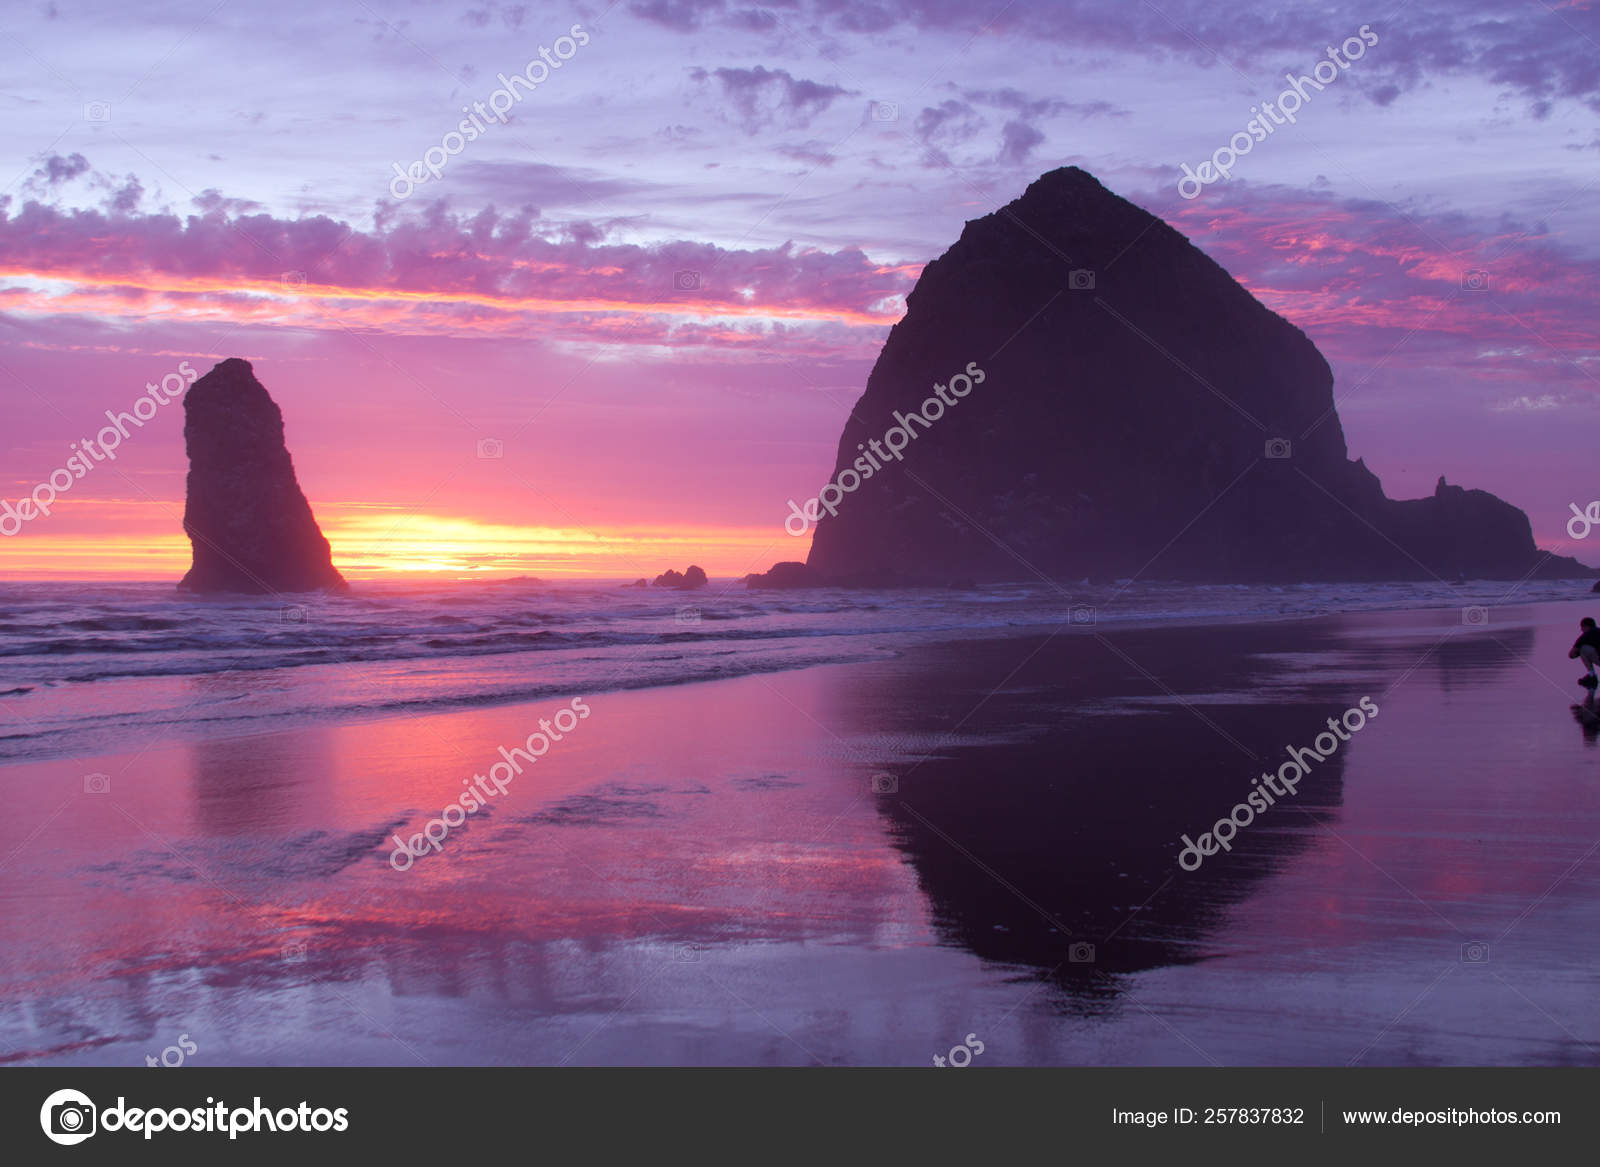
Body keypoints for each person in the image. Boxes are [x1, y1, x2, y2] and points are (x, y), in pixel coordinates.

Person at [1568, 617, 1600, 687]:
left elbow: (1571, 655)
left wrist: (1579, 653)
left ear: (1586, 626)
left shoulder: (1586, 636)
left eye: (1582, 627)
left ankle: (1592, 676)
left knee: (1583, 648)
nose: (1581, 630)